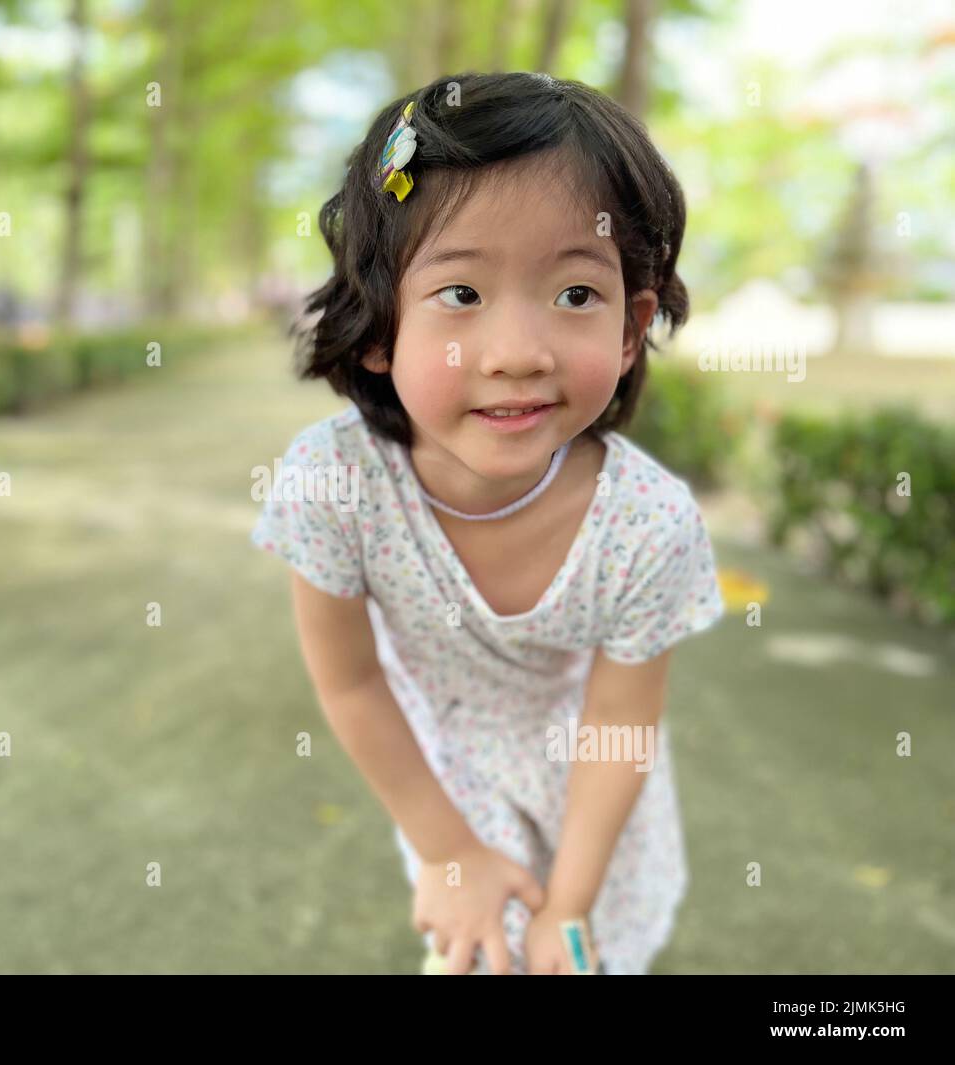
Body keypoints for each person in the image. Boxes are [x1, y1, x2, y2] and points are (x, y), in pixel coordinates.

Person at [250, 71, 726, 975]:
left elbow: (619, 723)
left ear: (631, 329)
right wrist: (447, 849)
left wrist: (572, 906)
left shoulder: (649, 523)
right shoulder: (333, 482)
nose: (517, 354)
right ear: (380, 325)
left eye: (576, 295)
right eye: (461, 294)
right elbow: (351, 685)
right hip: (442, 772)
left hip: (593, 792)